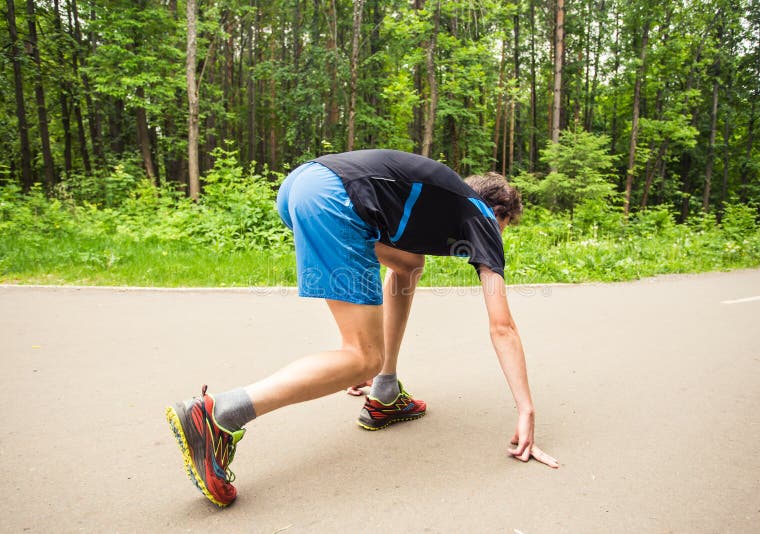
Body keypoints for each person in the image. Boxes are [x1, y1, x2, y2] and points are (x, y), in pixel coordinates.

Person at [165, 149, 559, 508]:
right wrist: (526, 408)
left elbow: (382, 243)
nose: (499, 237)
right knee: (362, 358)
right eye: (505, 227)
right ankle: (218, 415)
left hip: (302, 186)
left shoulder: (433, 204)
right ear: (500, 214)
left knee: (409, 265)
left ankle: (384, 391)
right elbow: (502, 326)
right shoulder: (481, 218)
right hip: (333, 197)